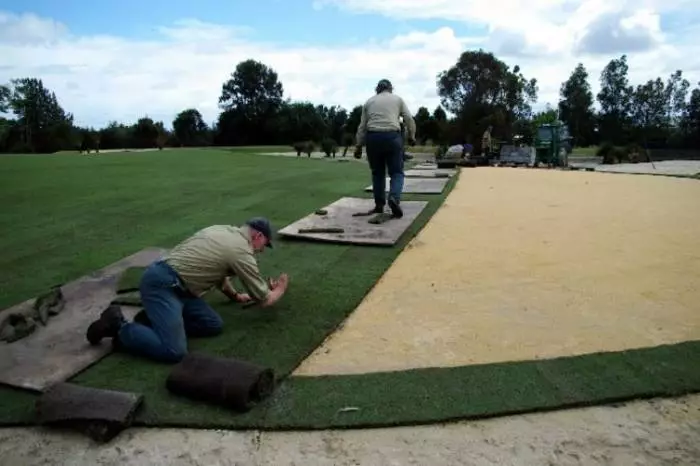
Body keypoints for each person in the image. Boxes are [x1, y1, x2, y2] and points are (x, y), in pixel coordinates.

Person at [86, 217, 289, 363]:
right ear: (258, 236)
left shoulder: (222, 230)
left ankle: (151, 321)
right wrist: (279, 290)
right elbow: (263, 299)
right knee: (173, 351)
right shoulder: (240, 251)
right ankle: (119, 327)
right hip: (162, 285)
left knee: (212, 324)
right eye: (265, 244)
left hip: (178, 287)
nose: (262, 249)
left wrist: (235, 296)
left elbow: (219, 275)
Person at [354, 79, 416, 219]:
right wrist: (412, 136)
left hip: (373, 138)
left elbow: (362, 127)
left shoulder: (369, 102)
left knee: (377, 173)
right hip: (392, 137)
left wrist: (358, 146)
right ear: (391, 88)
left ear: (377, 89)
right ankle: (394, 198)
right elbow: (409, 119)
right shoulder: (397, 99)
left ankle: (379, 205)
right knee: (397, 173)